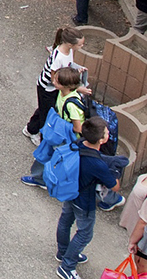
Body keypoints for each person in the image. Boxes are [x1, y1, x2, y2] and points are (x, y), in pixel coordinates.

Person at [56, 118, 121, 279]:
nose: (108, 133)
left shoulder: (79, 144)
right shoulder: (97, 164)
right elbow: (115, 187)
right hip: (84, 201)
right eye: (106, 132)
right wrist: (116, 172)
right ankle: (67, 266)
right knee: (85, 233)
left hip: (70, 190)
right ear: (102, 140)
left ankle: (63, 252)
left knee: (65, 221)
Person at [20, 66, 86, 190]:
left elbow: (78, 128)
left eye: (56, 81)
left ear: (65, 86)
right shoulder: (63, 93)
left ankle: (43, 180)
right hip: (59, 133)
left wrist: (61, 127)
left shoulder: (72, 104)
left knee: (51, 156)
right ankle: (42, 178)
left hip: (64, 137)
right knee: (48, 154)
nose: (53, 81)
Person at [23, 27, 88, 146]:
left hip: (52, 88)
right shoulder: (59, 58)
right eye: (80, 45)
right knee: (47, 115)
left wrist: (76, 71)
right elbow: (56, 80)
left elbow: (66, 69)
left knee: (44, 109)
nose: (81, 47)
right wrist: (77, 88)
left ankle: (31, 129)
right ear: (69, 44)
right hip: (47, 88)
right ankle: (43, 140)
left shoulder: (67, 51)